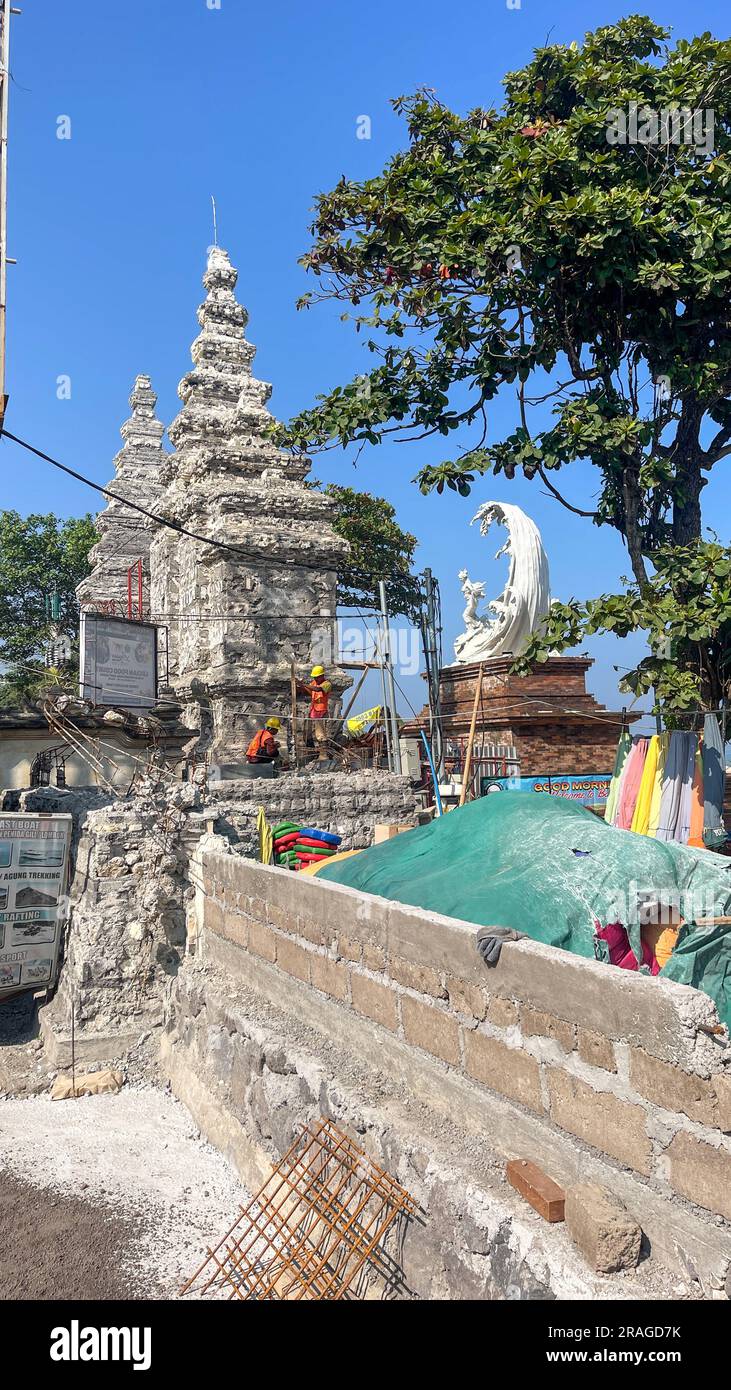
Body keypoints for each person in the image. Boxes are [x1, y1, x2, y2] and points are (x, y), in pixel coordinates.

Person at [297, 666, 333, 752]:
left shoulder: (327, 684)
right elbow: (310, 692)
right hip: (313, 710)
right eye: (314, 677)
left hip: (321, 711)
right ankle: (311, 749)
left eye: (317, 677)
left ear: (322, 676)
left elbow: (317, 689)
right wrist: (301, 687)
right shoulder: (314, 682)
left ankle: (323, 752)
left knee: (320, 733)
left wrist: (304, 685)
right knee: (307, 731)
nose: (315, 679)